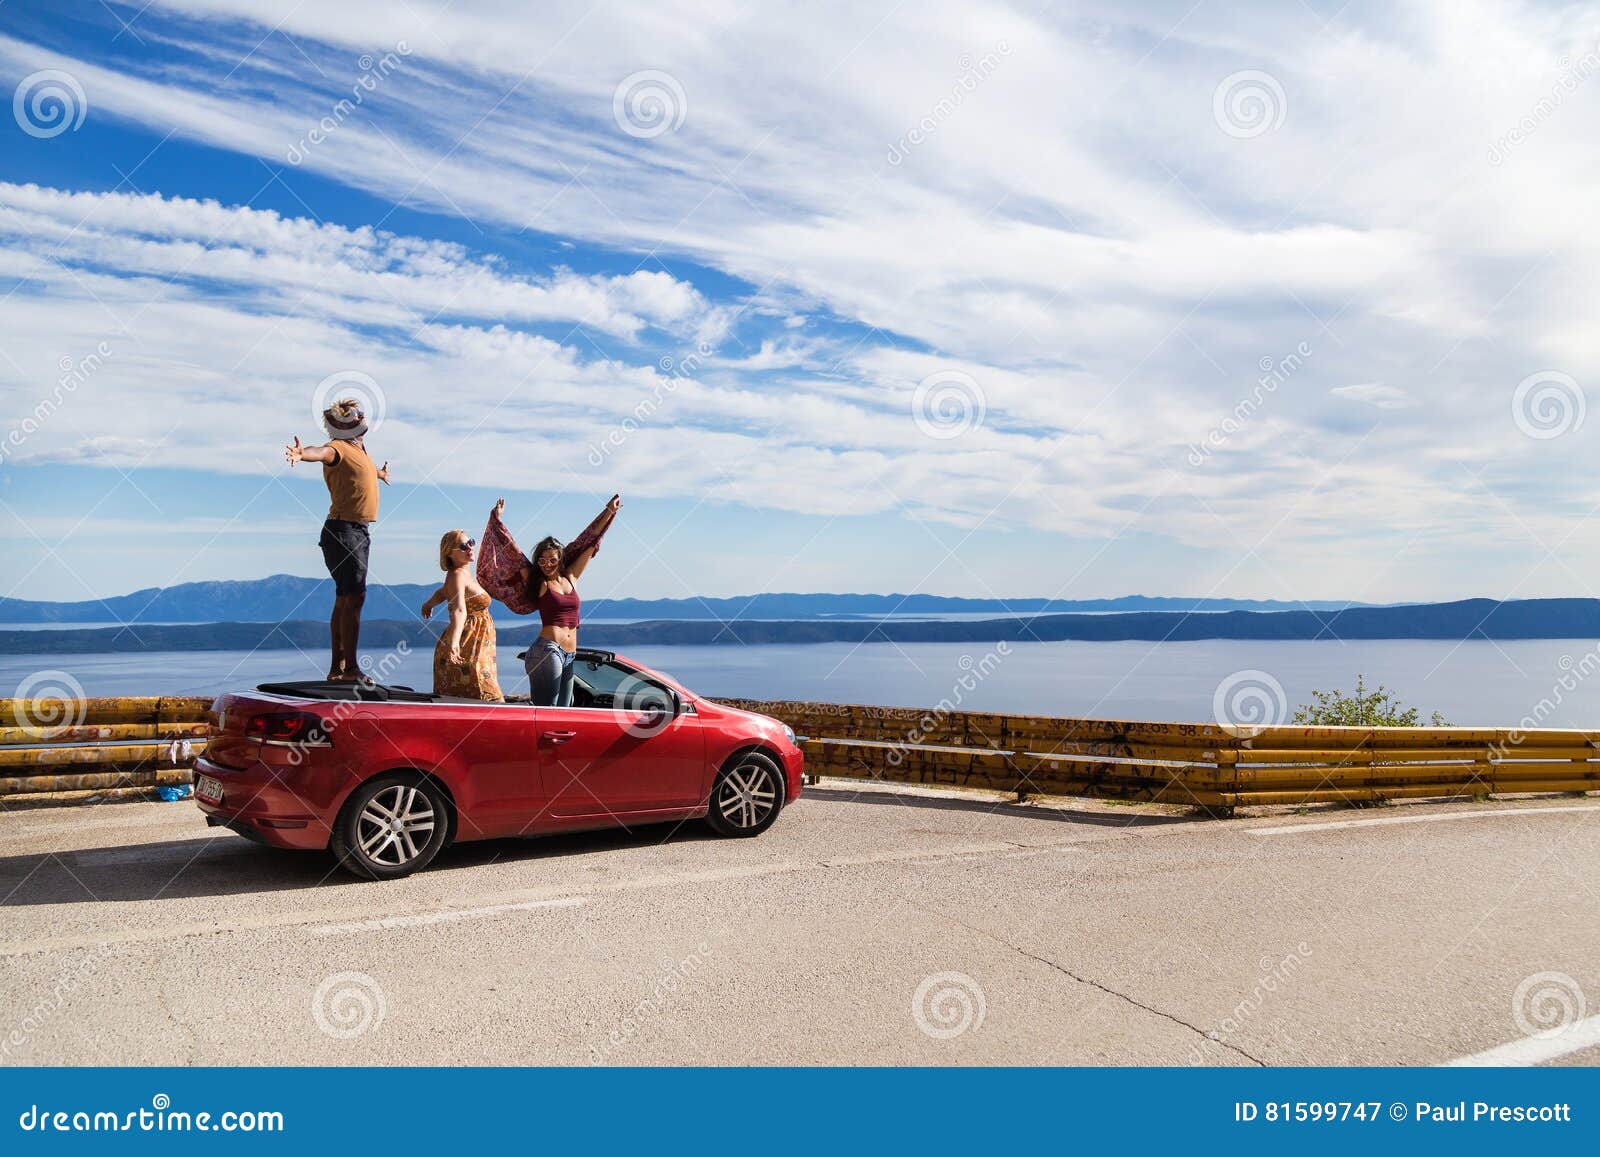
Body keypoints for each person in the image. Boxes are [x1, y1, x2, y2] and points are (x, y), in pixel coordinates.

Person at [477, 494, 621, 705]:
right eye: (542, 560)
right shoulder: (540, 582)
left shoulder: (571, 578)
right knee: (547, 710)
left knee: (564, 709)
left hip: (570, 654)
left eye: (552, 560)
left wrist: (609, 512)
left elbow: (589, 543)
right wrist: (496, 520)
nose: (546, 564)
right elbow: (511, 550)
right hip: (547, 651)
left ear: (560, 559)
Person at [284, 399, 390, 682]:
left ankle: (338, 669)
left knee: (346, 597)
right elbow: (320, 453)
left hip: (354, 531)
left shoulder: (360, 452)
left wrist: (379, 473)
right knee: (354, 596)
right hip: (344, 530)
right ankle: (350, 669)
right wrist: (301, 453)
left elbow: (364, 473)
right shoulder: (338, 448)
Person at [421, 530, 504, 702]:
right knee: (485, 694)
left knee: (477, 695)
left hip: (475, 642)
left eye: (470, 542)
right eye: (462, 546)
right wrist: (455, 642)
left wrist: (429, 604)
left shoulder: (463, 575)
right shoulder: (457, 575)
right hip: (466, 644)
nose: (470, 548)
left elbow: (444, 592)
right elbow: (459, 610)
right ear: (449, 553)